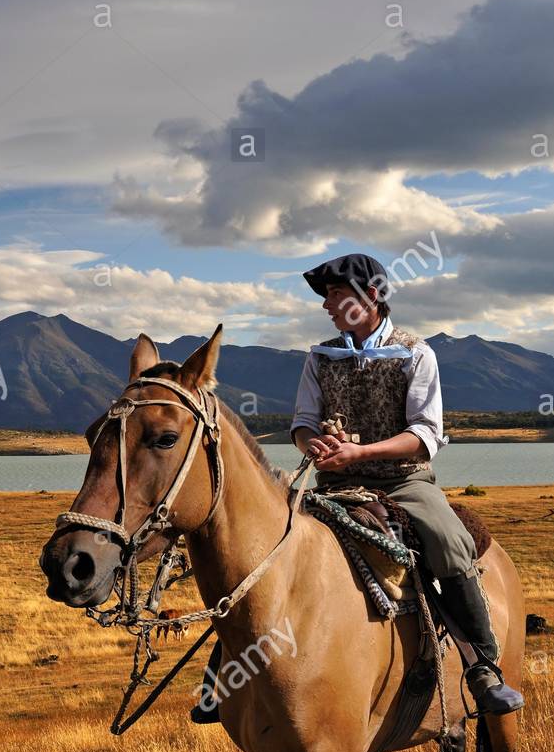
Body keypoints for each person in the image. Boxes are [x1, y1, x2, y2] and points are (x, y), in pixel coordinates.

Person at [191, 253, 523, 724]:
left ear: (371, 297)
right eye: (326, 297)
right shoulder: (321, 356)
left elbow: (425, 435)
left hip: (405, 482)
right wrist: (319, 444)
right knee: (265, 550)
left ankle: (482, 669)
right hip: (333, 483)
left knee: (448, 543)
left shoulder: (415, 352)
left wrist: (361, 453)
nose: (327, 305)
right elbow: (302, 424)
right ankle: (222, 679)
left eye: (336, 295)